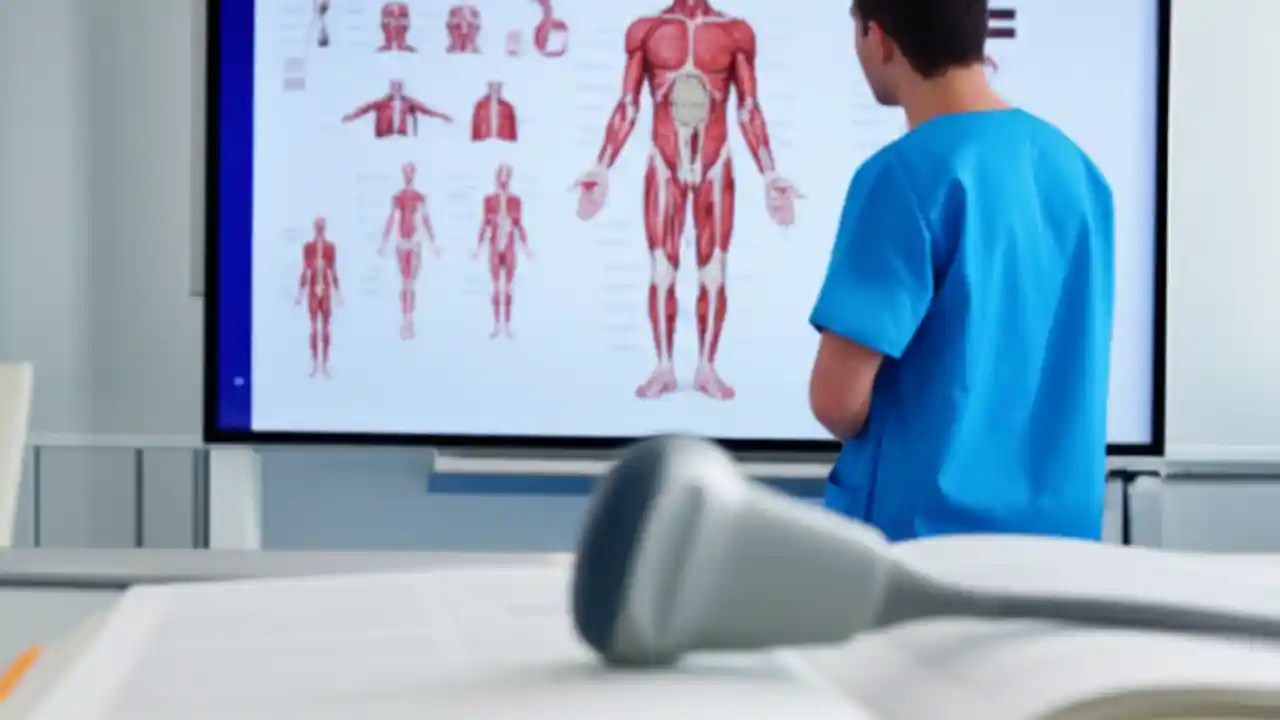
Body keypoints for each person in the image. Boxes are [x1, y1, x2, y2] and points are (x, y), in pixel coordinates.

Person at [807, 0, 1114, 541]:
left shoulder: (902, 176)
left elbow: (837, 403)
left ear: (878, 39)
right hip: (1062, 550)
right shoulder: (1078, 171)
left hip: (924, 552)